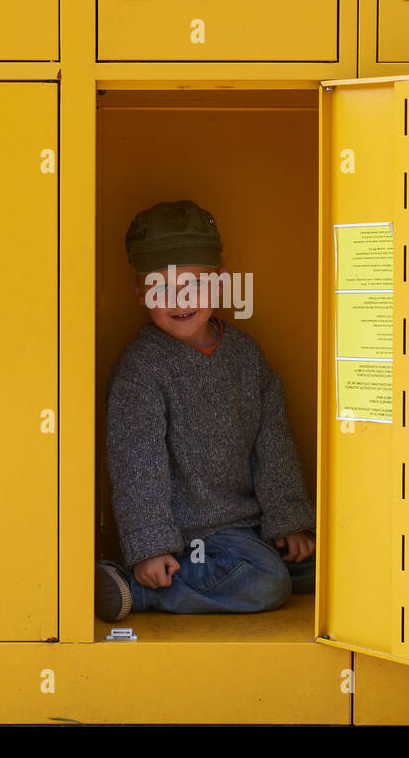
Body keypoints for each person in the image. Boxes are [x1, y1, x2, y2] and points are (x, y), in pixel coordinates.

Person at [95, 199, 316, 622]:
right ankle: (136, 587)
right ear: (139, 292)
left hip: (249, 531)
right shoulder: (141, 370)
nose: (179, 299)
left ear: (221, 284)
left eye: (193, 284)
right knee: (267, 582)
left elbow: (272, 442)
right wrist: (150, 545)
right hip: (189, 537)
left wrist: (288, 521)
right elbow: (136, 463)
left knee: (327, 571)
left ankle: (251, 562)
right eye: (160, 288)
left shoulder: (245, 356)